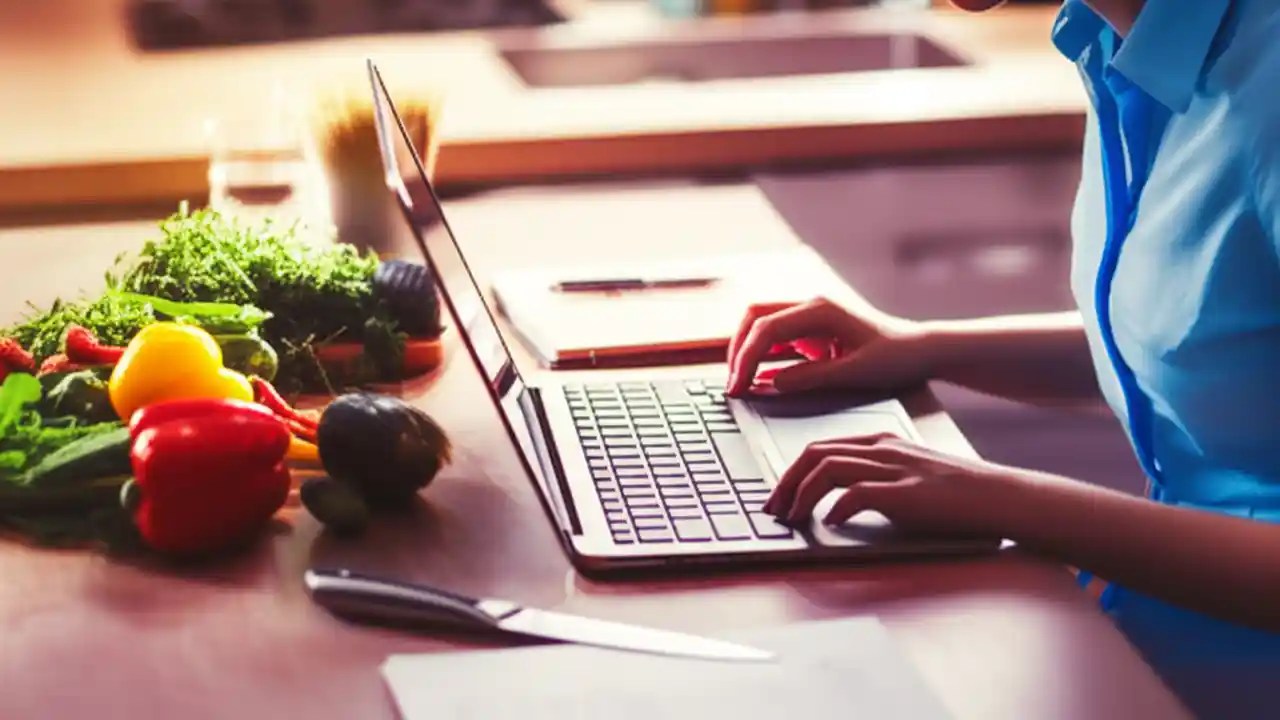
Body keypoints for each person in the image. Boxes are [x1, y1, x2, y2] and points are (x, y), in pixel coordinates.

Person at [725, 0, 1280, 716]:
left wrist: (1001, 499)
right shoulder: (1118, 42)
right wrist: (921, 347)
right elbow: (1207, 346)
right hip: (1152, 644)